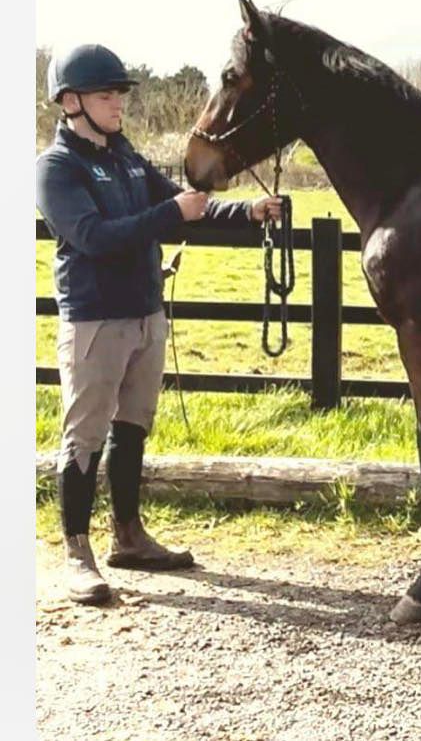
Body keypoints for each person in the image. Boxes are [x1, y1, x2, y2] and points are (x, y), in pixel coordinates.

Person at [35, 44, 283, 605]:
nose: (118, 104)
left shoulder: (125, 156)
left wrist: (247, 212)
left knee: (132, 428)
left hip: (145, 312)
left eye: (120, 94)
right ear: (71, 102)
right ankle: (77, 552)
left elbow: (183, 203)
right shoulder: (56, 169)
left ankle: (129, 537)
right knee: (84, 436)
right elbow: (93, 237)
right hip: (95, 320)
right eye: (106, 95)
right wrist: (171, 214)